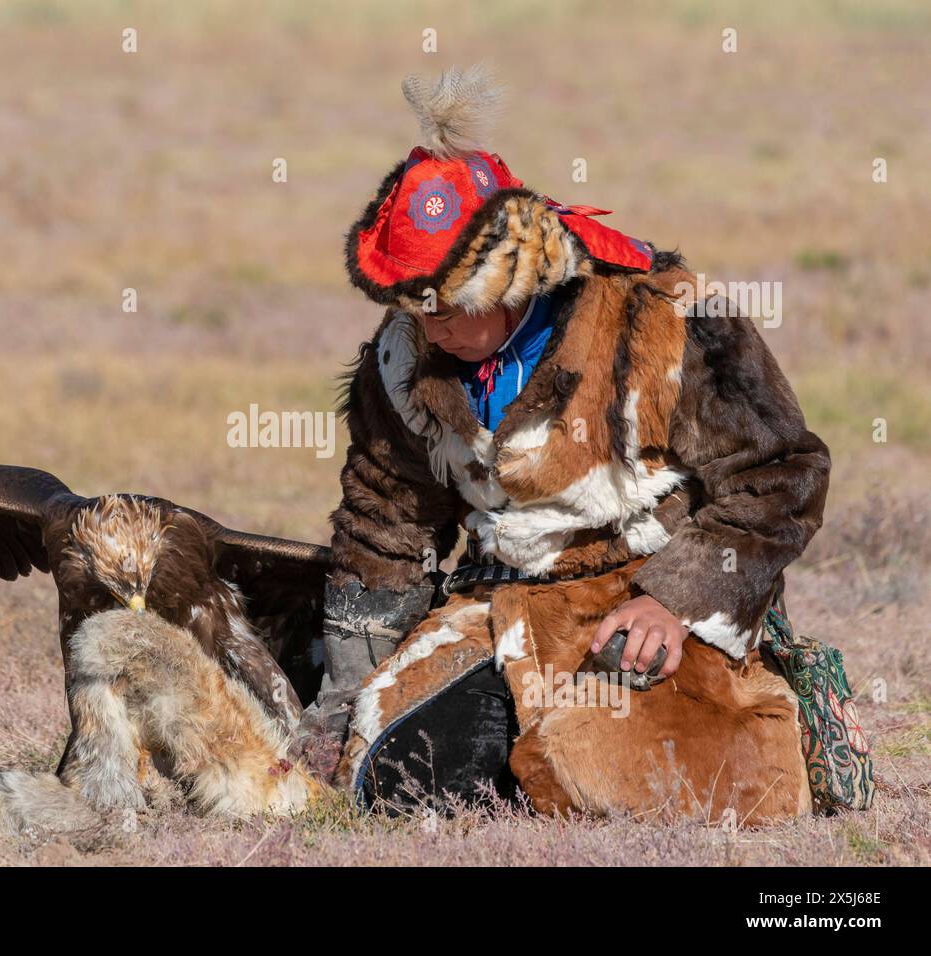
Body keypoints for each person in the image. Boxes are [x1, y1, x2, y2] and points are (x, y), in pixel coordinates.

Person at [301, 67, 831, 809]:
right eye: (415, 309)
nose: (430, 328)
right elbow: (383, 525)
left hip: (642, 594)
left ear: (513, 277)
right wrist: (341, 696)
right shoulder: (406, 355)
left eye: (450, 310)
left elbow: (781, 477)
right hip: (504, 604)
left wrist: (673, 603)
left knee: (620, 771)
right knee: (394, 784)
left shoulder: (661, 315)